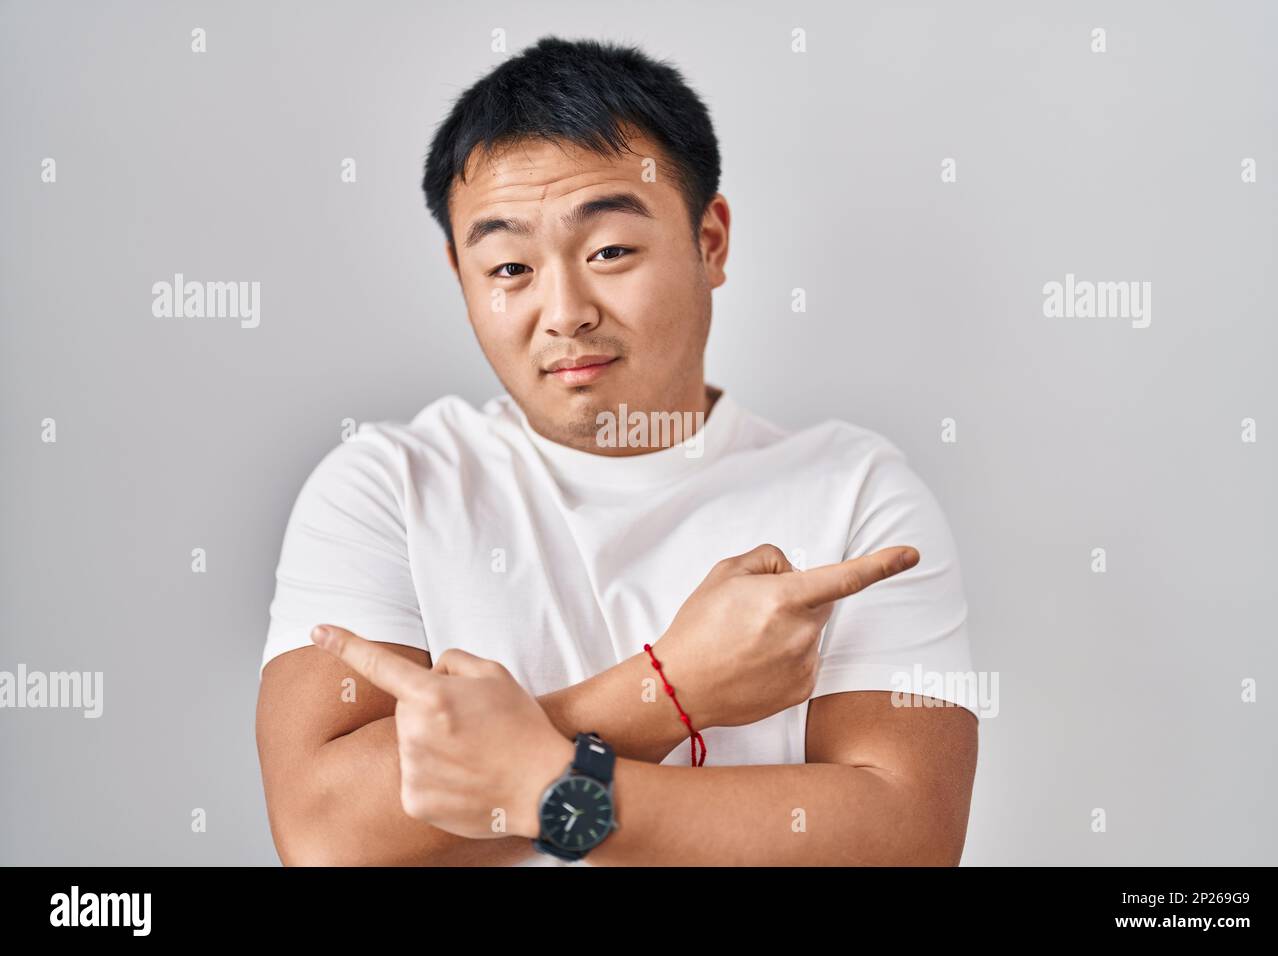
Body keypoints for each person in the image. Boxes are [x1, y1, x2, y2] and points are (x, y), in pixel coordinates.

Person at [255, 36, 978, 867]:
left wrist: (542, 785)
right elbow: (324, 832)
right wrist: (668, 687)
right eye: (510, 267)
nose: (564, 311)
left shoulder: (853, 491)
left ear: (710, 242)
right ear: (461, 277)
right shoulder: (385, 487)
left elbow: (906, 837)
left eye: (609, 252)